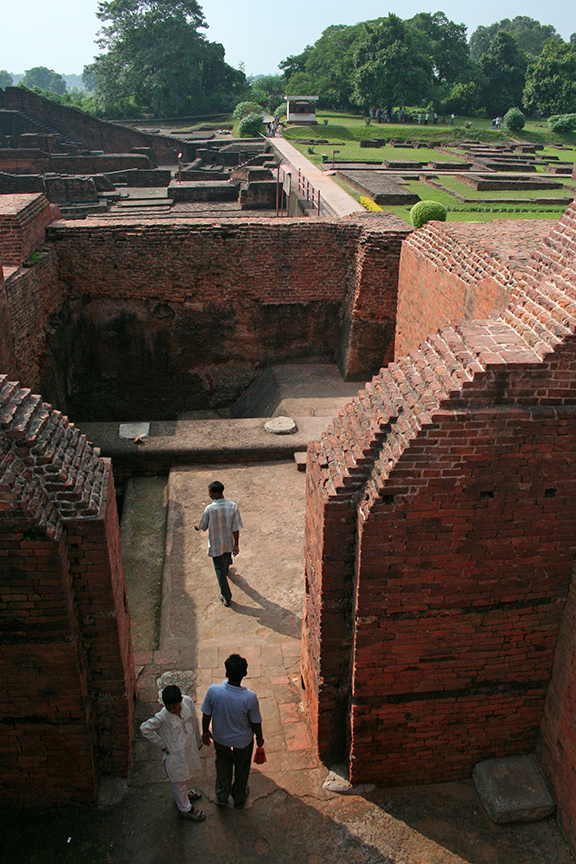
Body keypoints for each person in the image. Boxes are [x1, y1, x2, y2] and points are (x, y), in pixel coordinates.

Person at [201, 654, 264, 810]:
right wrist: (260, 737)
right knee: (242, 769)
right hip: (242, 741)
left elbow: (206, 714)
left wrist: (205, 731)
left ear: (226, 673)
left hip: (221, 738)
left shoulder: (214, 691)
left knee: (222, 765)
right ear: (244, 674)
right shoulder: (249, 697)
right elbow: (255, 722)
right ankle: (239, 797)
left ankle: (222, 796)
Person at [140, 685, 206, 821]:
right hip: (174, 754)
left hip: (187, 748)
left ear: (180, 700)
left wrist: (197, 740)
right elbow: (145, 728)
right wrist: (162, 744)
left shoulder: (187, 701)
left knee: (182, 777)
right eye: (170, 709)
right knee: (177, 781)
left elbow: (194, 720)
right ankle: (185, 809)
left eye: (175, 708)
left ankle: (183, 797)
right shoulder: (163, 716)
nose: (173, 711)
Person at [195, 480, 243, 607]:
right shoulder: (233, 506)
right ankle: (226, 568)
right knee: (226, 559)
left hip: (216, 544)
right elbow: (236, 528)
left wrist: (197, 527)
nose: (209, 494)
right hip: (228, 543)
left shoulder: (210, 509)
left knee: (219, 571)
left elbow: (203, 525)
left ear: (216, 493)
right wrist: (236, 544)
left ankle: (226, 596)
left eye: (210, 492)